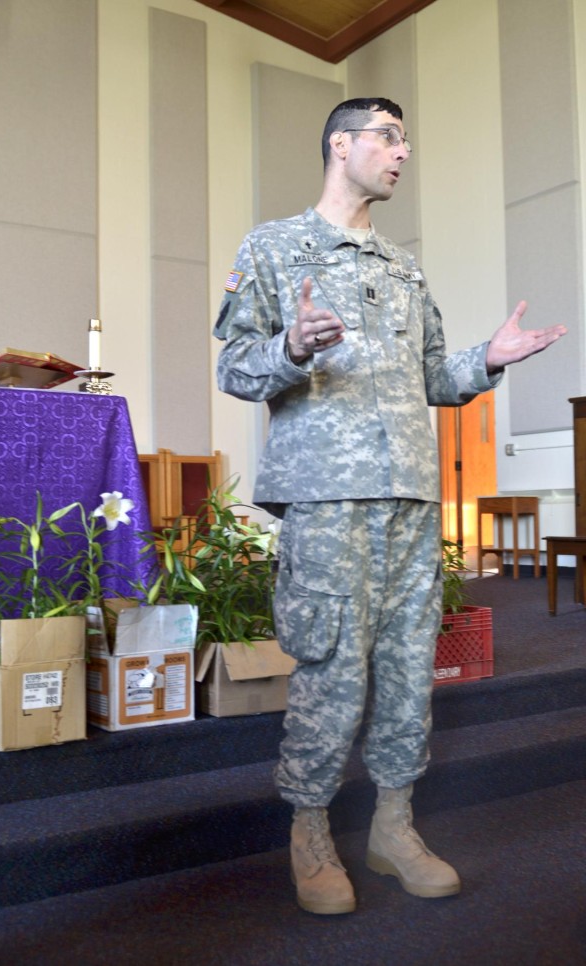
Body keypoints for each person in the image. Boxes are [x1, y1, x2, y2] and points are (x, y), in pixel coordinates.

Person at [213, 97, 566, 916]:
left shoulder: (404, 267)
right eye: (388, 136)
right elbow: (236, 367)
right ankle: (310, 832)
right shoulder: (275, 246)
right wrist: (291, 346)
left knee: (411, 667)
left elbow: (435, 377)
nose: (403, 152)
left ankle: (393, 827)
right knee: (332, 666)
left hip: (410, 494)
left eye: (406, 138)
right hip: (326, 493)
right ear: (342, 144)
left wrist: (488, 359)